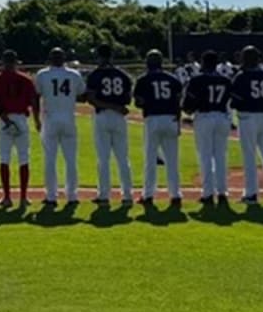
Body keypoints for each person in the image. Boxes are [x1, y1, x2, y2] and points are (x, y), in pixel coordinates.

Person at [230, 46, 263, 204]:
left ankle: (251, 193)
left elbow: (234, 101)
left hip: (248, 117)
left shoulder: (241, 77)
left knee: (249, 156)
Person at [0, 50, 40, 208]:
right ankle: (23, 197)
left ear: (2, 62)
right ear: (16, 62)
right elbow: (34, 102)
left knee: (4, 158)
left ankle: (7, 197)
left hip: (5, 119)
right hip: (21, 119)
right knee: (24, 158)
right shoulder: (26, 79)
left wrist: (5, 120)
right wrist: (37, 121)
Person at [85, 44, 134, 206]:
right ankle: (127, 195)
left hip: (103, 115)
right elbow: (127, 98)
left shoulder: (95, 75)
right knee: (122, 158)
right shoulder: (122, 74)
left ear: (99, 56)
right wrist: (116, 105)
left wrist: (110, 105)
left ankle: (104, 195)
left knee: (103, 158)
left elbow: (91, 98)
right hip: (119, 116)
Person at [132, 50, 183, 207]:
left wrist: (149, 102)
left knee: (150, 159)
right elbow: (178, 101)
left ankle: (148, 195)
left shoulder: (143, 80)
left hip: (153, 118)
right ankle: (175, 195)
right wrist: (178, 121)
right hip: (170, 118)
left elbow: (138, 102)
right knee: (172, 160)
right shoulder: (173, 79)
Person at [36, 47, 85, 206]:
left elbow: (36, 95)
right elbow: (81, 93)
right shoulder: (74, 74)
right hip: (68, 117)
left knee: (50, 159)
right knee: (70, 160)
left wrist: (37, 119)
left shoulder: (43, 74)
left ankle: (51, 195)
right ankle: (72, 195)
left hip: (50, 118)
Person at [182, 51, 232, 207]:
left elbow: (188, 105)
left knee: (205, 156)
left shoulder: (197, 80)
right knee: (220, 156)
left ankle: (208, 193)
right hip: (222, 116)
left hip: (204, 117)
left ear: (203, 63)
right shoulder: (225, 80)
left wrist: (188, 111)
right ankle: (222, 192)